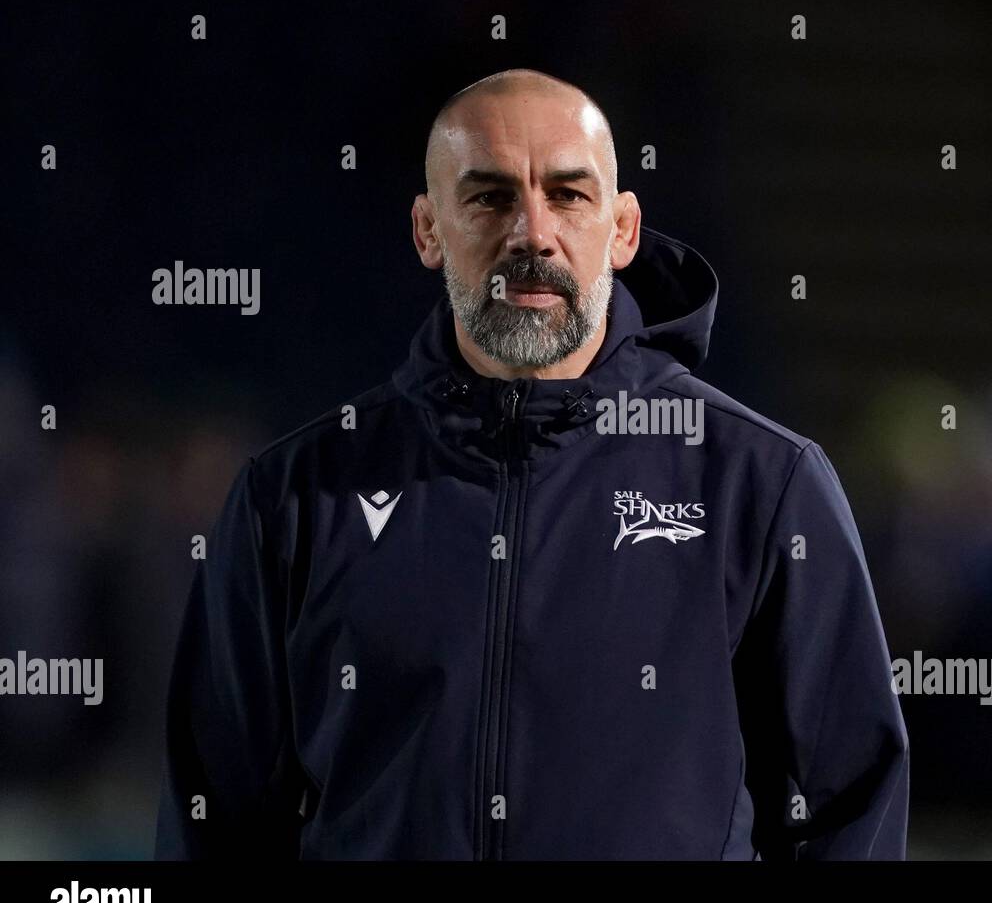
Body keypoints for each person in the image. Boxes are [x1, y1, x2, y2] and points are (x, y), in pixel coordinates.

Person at [154, 68, 909, 860]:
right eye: (489, 197)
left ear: (623, 230)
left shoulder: (760, 482)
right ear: (428, 230)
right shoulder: (293, 497)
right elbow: (217, 817)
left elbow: (846, 806)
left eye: (568, 195)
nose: (532, 234)